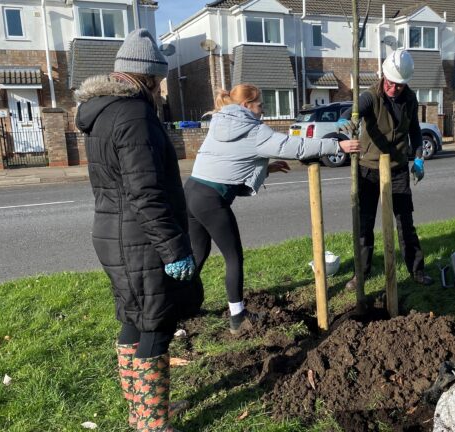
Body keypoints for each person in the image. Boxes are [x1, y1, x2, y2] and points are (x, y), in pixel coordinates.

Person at [75, 29, 197, 431]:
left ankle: (144, 410)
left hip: (115, 234)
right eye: (158, 82)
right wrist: (174, 249)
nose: (161, 91)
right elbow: (146, 192)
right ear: (145, 77)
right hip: (140, 240)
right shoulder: (134, 114)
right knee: (155, 323)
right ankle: (151, 423)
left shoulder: (104, 110)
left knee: (133, 317)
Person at [185, 84, 361, 335]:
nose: (263, 112)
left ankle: (178, 307)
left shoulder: (222, 123)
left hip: (192, 191)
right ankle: (238, 318)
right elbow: (296, 147)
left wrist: (267, 169)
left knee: (197, 254)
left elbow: (229, 161)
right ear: (246, 106)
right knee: (233, 257)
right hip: (211, 200)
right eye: (260, 106)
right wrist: (337, 147)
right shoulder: (252, 129)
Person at [342, 48, 434, 291]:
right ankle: (360, 273)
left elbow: (414, 130)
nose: (394, 89)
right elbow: (353, 111)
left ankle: (417, 270)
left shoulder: (410, 99)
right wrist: (347, 121)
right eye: (391, 84)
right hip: (369, 169)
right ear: (384, 76)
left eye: (399, 86)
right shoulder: (371, 96)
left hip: (397, 169)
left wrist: (418, 157)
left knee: (405, 221)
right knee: (365, 223)